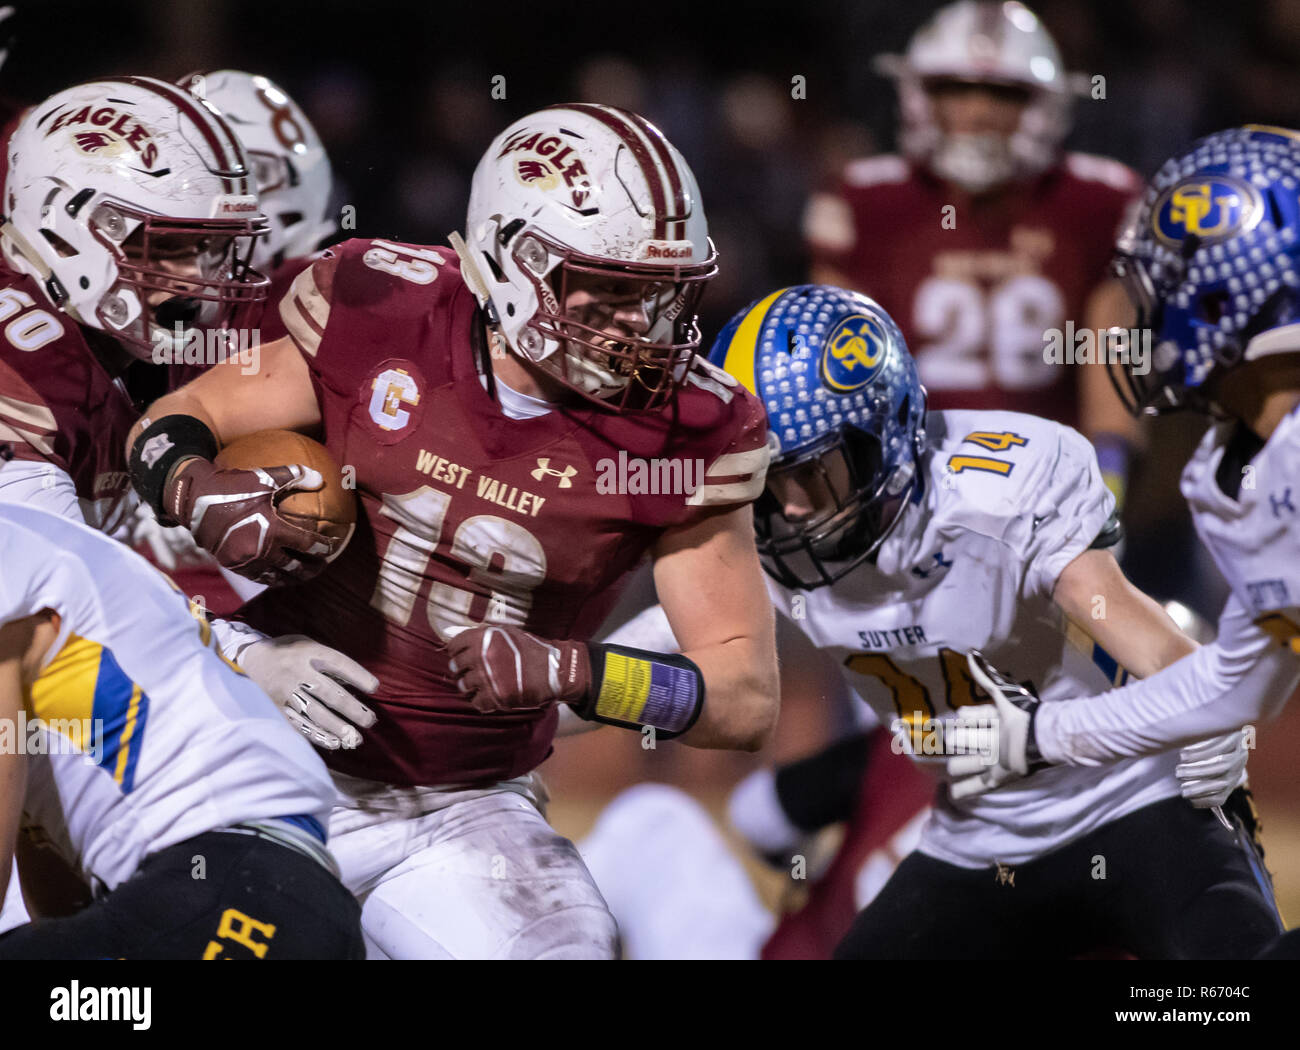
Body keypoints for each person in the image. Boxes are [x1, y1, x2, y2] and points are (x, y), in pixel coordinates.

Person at [124, 103, 779, 959]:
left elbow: (743, 695)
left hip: (464, 806)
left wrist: (580, 673)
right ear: (513, 261)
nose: (641, 325)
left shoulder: (692, 429)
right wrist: (195, 486)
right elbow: (181, 417)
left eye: (662, 294)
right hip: (266, 756)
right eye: (613, 289)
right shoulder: (387, 309)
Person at [708, 283, 1272, 959]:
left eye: (811, 473)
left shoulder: (999, 489)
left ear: (882, 439)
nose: (790, 509)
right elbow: (683, 641)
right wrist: (594, 678)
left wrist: (1201, 705)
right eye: (768, 480)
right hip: (980, 838)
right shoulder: (770, 543)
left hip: (1133, 799)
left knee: (1233, 989)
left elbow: (1141, 633)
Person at [943, 127, 1300, 860]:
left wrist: (1035, 736)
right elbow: (1232, 687)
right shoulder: (1248, 467)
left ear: (1230, 298)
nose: (1142, 319)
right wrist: (1037, 736)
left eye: (1166, 286)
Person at [0, 502, 364, 959]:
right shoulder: (36, 552)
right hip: (271, 894)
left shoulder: (10, 559)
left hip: (221, 883)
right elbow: (58, 880)